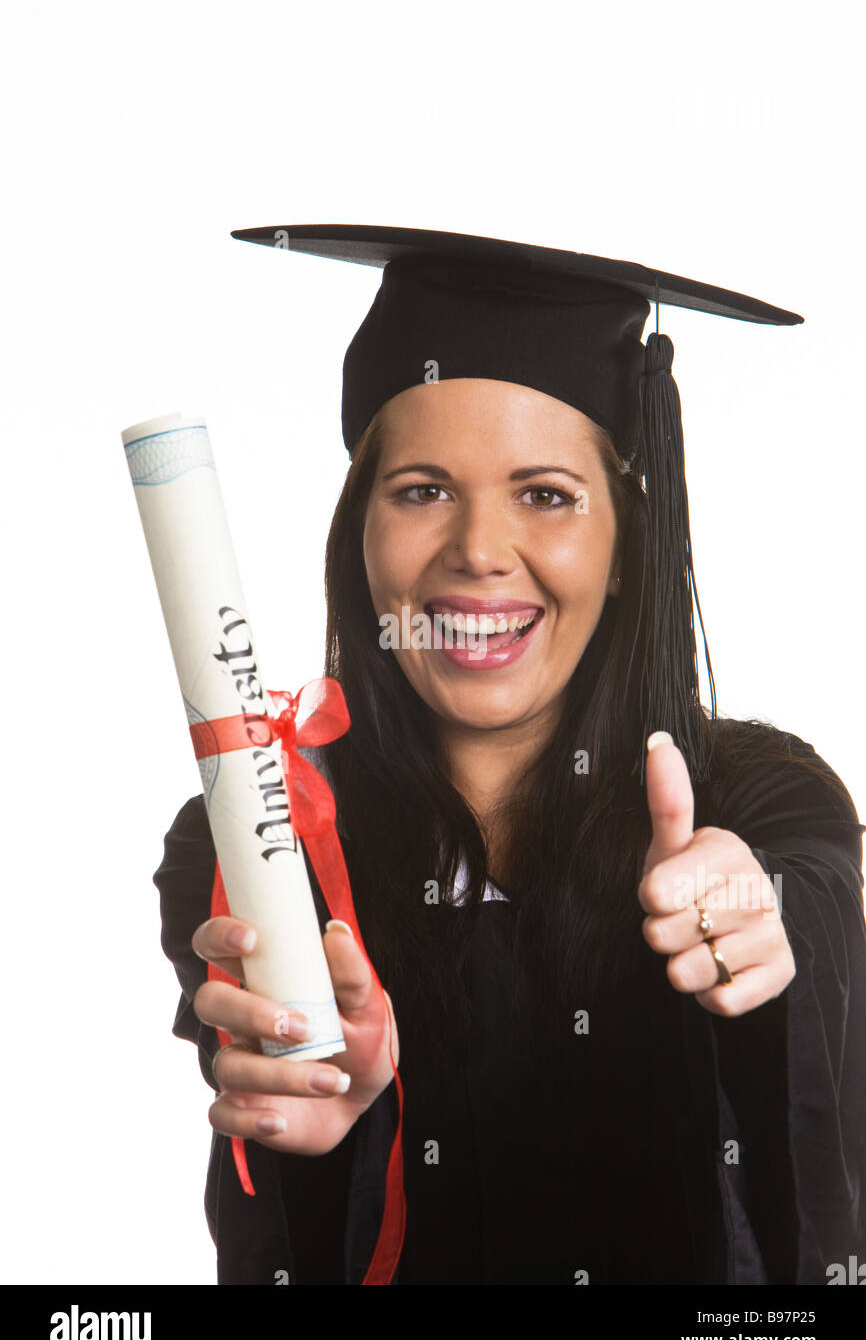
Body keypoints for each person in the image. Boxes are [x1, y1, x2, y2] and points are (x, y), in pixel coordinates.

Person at [154, 226, 866, 1285]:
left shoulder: (763, 799)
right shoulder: (267, 832)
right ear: (359, 533)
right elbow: (278, 1214)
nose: (478, 548)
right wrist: (327, 1130)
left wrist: (758, 924)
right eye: (421, 489)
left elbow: (799, 921)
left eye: (545, 493)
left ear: (625, 548)